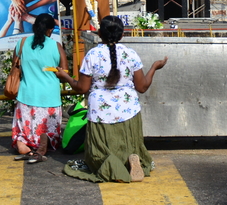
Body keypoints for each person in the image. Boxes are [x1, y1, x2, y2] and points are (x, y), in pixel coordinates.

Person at [58, 15, 168, 183]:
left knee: (98, 158)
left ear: (99, 33)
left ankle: (111, 165)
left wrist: (65, 76)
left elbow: (82, 88)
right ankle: (131, 160)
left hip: (100, 112)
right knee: (129, 143)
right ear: (122, 35)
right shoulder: (130, 54)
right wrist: (154, 67)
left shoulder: (92, 54)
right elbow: (142, 87)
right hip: (128, 109)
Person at [12, 13, 68, 164]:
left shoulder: (22, 43)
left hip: (27, 96)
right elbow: (64, 72)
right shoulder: (55, 46)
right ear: (50, 30)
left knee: (23, 134)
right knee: (48, 130)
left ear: (34, 26)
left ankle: (25, 147)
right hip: (49, 97)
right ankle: (44, 142)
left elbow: (15, 68)